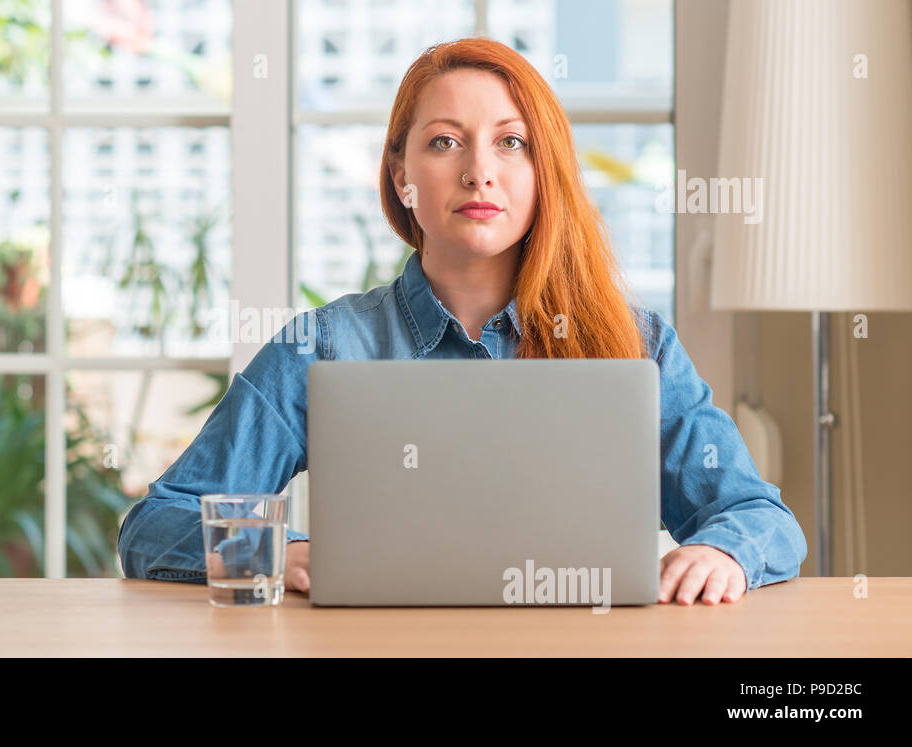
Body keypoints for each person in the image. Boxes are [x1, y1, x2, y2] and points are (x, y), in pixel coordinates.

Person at [117, 37, 807, 606]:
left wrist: (723, 551)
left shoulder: (637, 344)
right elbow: (154, 523)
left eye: (512, 143)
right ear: (401, 177)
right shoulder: (322, 346)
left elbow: (759, 515)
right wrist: (283, 549)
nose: (481, 172)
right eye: (446, 143)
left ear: (546, 172)